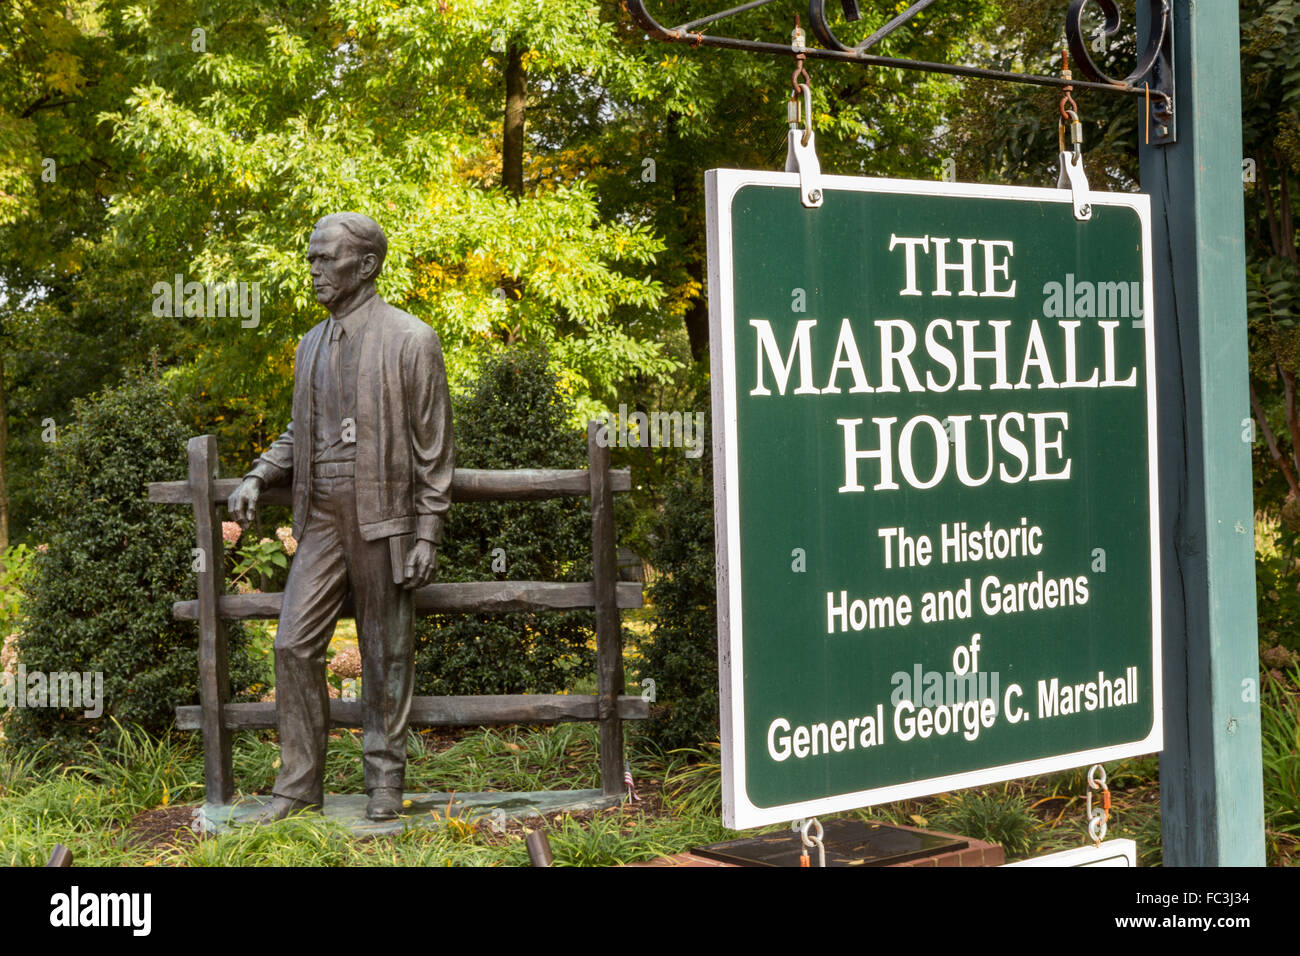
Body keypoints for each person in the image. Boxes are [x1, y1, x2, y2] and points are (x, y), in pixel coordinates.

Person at [227, 212, 454, 822]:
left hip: (385, 519)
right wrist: (258, 473)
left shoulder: (412, 339)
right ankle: (300, 785)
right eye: (311, 259)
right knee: (293, 645)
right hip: (321, 518)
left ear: (367, 264)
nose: (314, 270)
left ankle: (385, 779)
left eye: (325, 258)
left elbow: (435, 453)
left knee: (387, 653)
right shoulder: (310, 344)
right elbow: (300, 431)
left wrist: (427, 530)